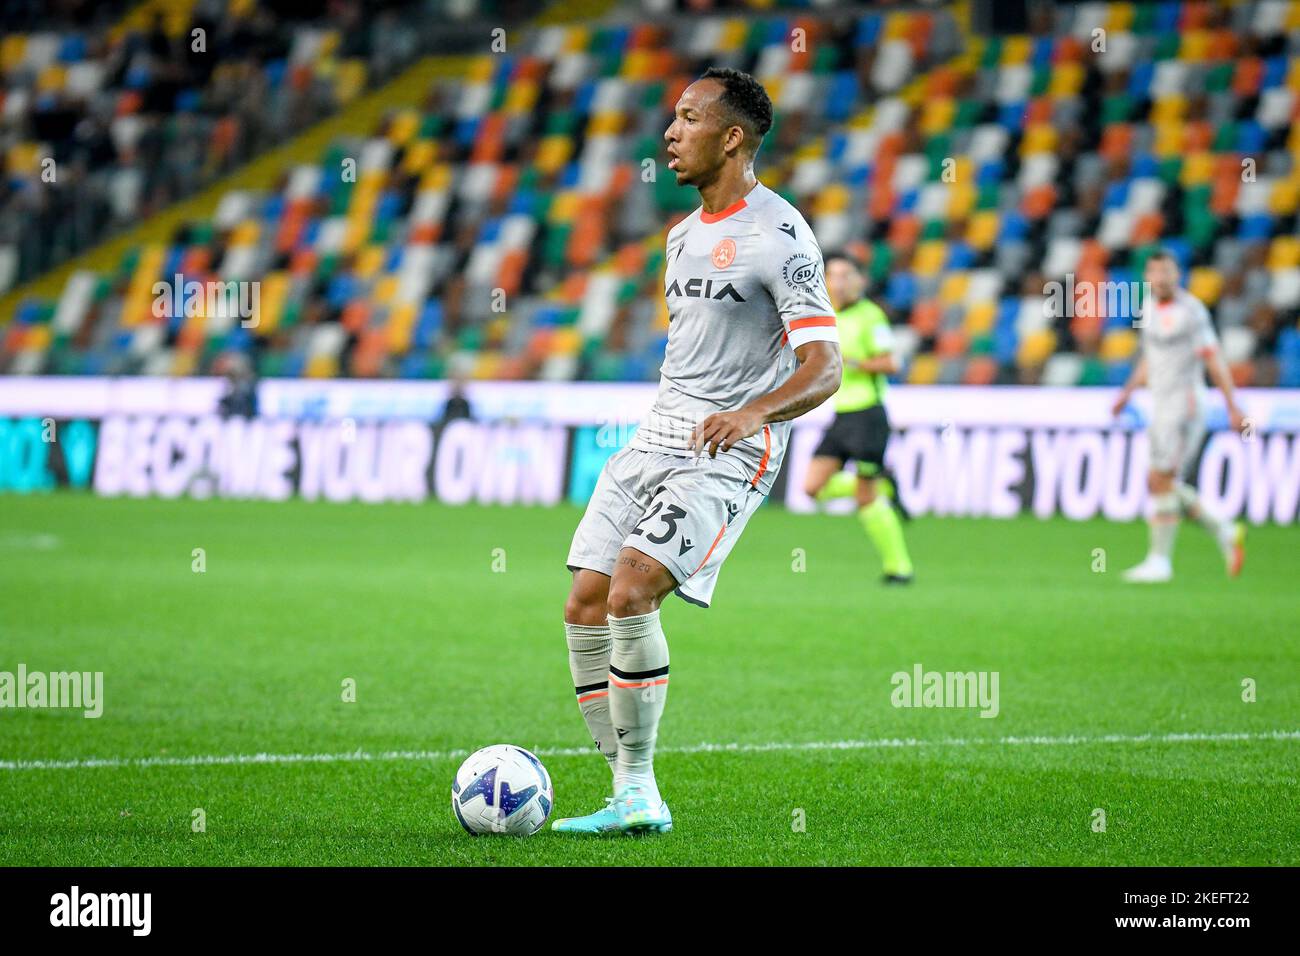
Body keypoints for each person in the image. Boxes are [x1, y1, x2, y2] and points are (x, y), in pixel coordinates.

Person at [554, 68, 842, 835]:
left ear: (733, 136)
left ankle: (641, 790)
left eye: (688, 118)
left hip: (731, 448)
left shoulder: (780, 235)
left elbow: (826, 366)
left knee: (632, 588)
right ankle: (625, 791)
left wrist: (752, 413)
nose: (670, 133)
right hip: (659, 433)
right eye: (672, 117)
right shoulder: (681, 237)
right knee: (584, 598)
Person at [1112, 249, 1247, 583]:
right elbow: (1149, 358)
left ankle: (1160, 562)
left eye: (1167, 271)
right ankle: (1224, 529)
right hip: (1159, 404)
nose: (1161, 278)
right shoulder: (1147, 308)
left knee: (1162, 479)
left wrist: (1233, 406)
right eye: (1154, 272)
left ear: (1178, 275)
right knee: (1160, 481)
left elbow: (1214, 359)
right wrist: (1127, 392)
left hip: (1184, 405)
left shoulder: (1192, 311)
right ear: (1147, 277)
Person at [802, 250, 913, 584]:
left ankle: (899, 568)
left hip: (868, 415)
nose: (837, 281)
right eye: (832, 274)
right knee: (812, 488)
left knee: (866, 500)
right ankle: (883, 484)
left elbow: (891, 363)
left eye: (844, 275)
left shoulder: (870, 316)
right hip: (841, 415)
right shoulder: (826, 315)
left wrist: (851, 362)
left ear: (859, 280)